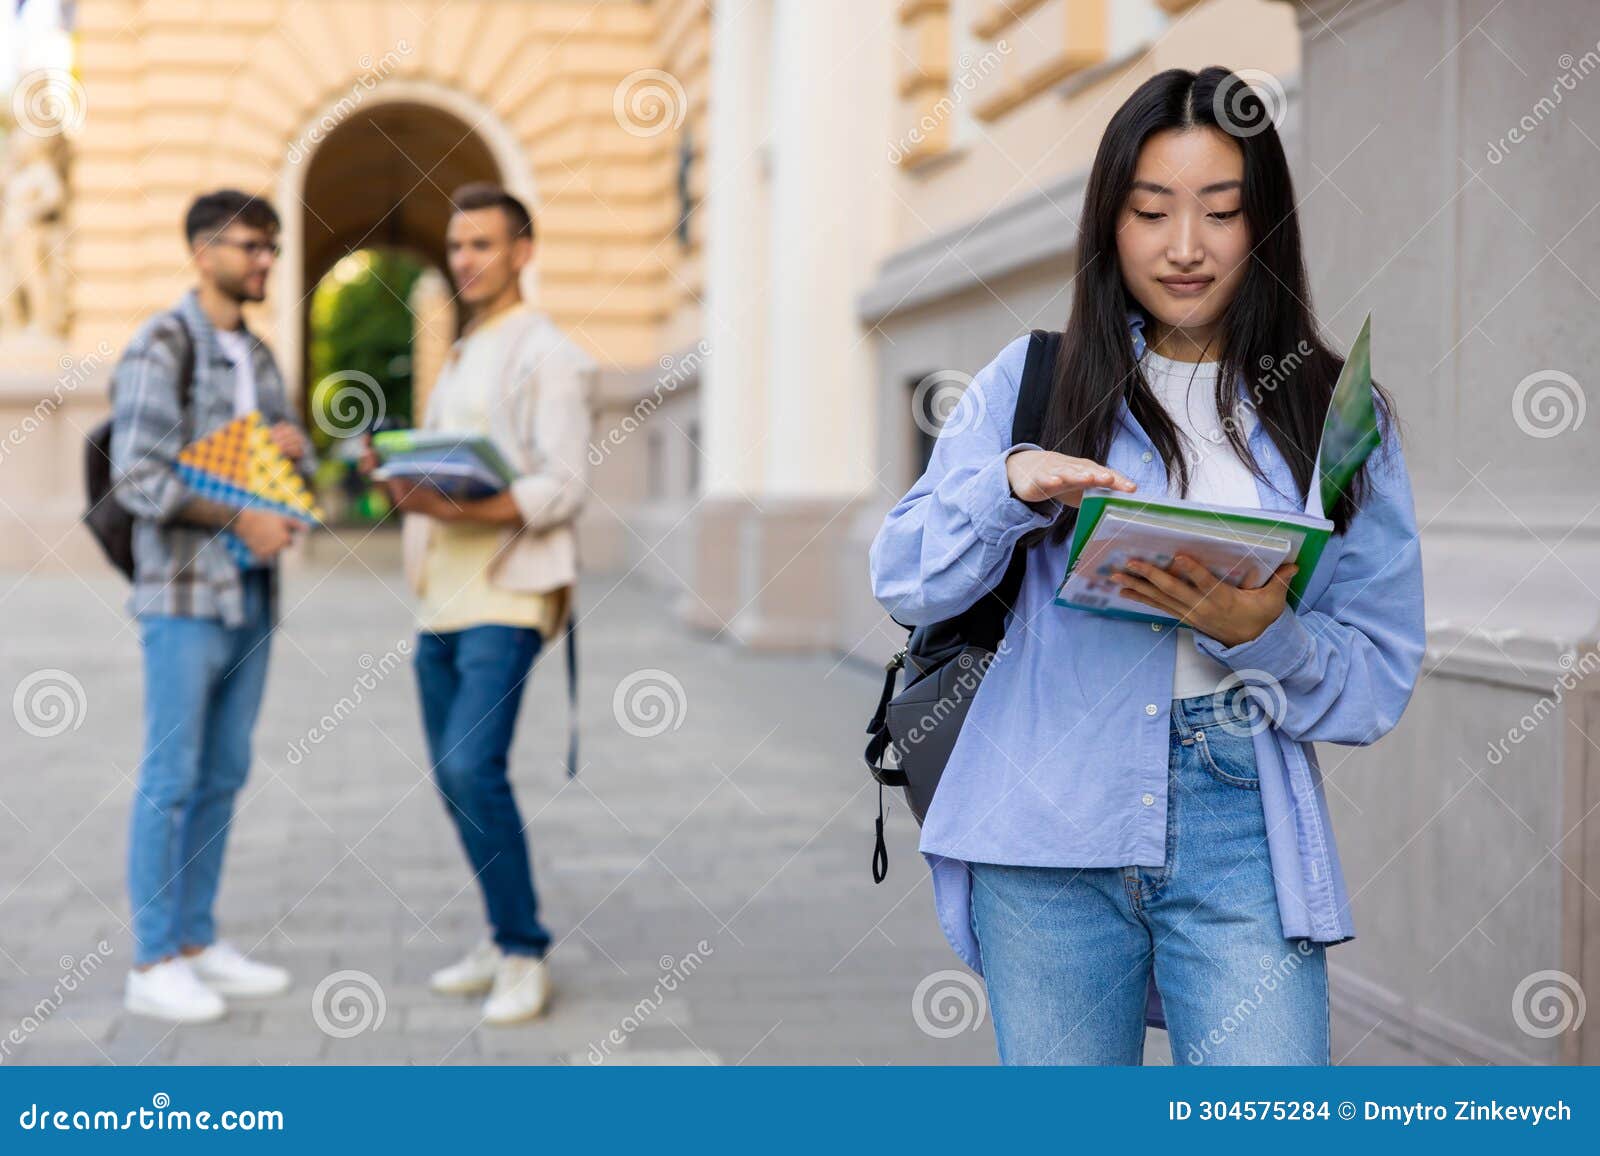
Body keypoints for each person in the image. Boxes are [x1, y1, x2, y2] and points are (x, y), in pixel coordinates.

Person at [868, 67, 1425, 1065]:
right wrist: (1011, 487)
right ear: (1107, 223)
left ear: (1265, 227)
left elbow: (1376, 673)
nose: (1183, 246)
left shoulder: (1335, 417)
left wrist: (1272, 637)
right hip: (1042, 816)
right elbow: (906, 581)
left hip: (1238, 816)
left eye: (1219, 211)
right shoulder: (1029, 382)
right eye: (1149, 210)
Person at [374, 183, 595, 1025]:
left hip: (508, 593)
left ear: (523, 252)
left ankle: (525, 952)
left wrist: (456, 506)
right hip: (440, 597)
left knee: (474, 768)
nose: (465, 259)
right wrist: (397, 473)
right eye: (458, 246)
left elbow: (565, 485)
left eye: (483, 245)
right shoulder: (465, 351)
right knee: (455, 781)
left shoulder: (550, 353)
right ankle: (501, 933)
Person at [110, 189, 312, 1023]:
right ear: (203, 251)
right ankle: (153, 959)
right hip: (184, 594)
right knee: (172, 775)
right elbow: (139, 477)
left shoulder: (258, 357)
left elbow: (265, 456)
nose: (266, 260)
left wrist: (287, 456)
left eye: (272, 246)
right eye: (251, 246)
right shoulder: (161, 344)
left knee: (225, 772)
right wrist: (239, 509)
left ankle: (197, 939)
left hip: (254, 590)